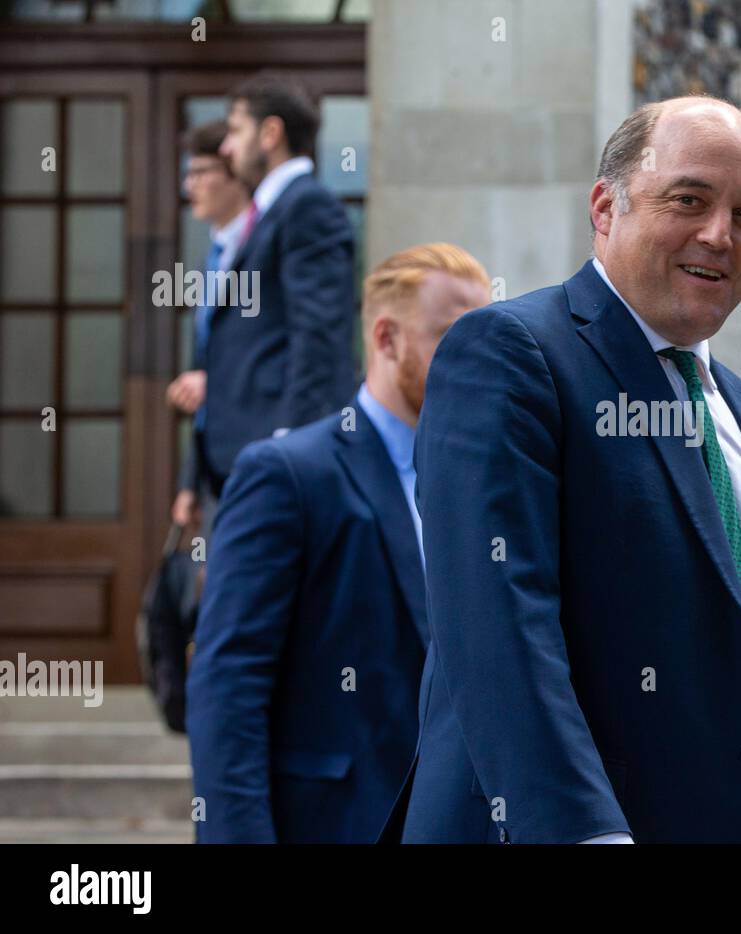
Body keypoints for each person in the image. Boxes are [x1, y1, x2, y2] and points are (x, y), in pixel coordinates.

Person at [384, 96, 741, 844]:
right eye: (688, 200)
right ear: (606, 207)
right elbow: (499, 626)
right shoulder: (510, 353)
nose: (719, 235)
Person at [186, 243, 490, 843]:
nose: (475, 365)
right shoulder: (287, 473)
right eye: (453, 340)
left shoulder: (485, 482)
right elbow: (229, 684)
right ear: (385, 338)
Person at [202, 71, 355, 496]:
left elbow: (319, 333)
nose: (226, 147)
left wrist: (295, 440)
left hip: (280, 450)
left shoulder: (307, 206)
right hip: (251, 450)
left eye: (235, 130)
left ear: (270, 133)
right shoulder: (270, 212)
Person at [168, 120, 253, 527]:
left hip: (256, 455)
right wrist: (190, 480)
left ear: (234, 173)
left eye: (201, 172)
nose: (190, 186)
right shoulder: (213, 258)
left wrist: (213, 385)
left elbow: (276, 359)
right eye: (188, 173)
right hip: (215, 468)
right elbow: (204, 367)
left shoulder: (260, 249)